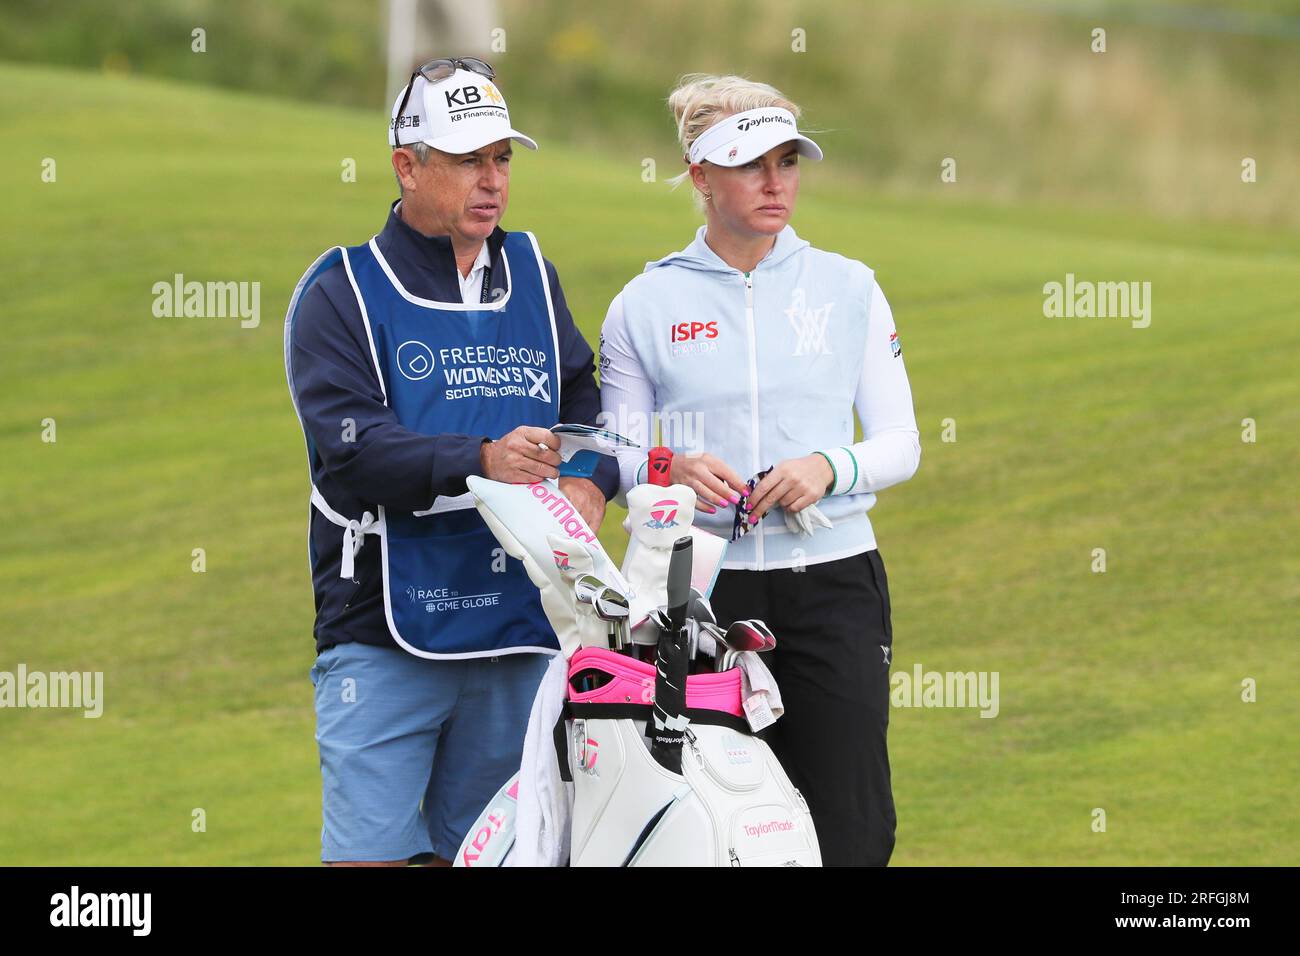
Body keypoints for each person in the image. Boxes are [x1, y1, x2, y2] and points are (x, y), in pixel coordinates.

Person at [283, 56, 618, 866]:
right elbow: (351, 453)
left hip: (519, 629)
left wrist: (592, 481)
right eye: (469, 159)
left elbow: (587, 403)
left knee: (504, 855)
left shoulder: (533, 272)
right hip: (383, 638)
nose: (492, 180)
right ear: (408, 166)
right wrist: (480, 459)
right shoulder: (341, 290)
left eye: (501, 158)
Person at [598, 74, 921, 866]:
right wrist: (673, 468)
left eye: (788, 160)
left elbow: (900, 442)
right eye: (751, 165)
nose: (776, 183)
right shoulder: (645, 303)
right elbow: (619, 454)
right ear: (701, 177)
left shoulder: (849, 288)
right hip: (703, 593)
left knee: (852, 830)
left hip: (833, 584)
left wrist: (829, 465)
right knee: (716, 823)